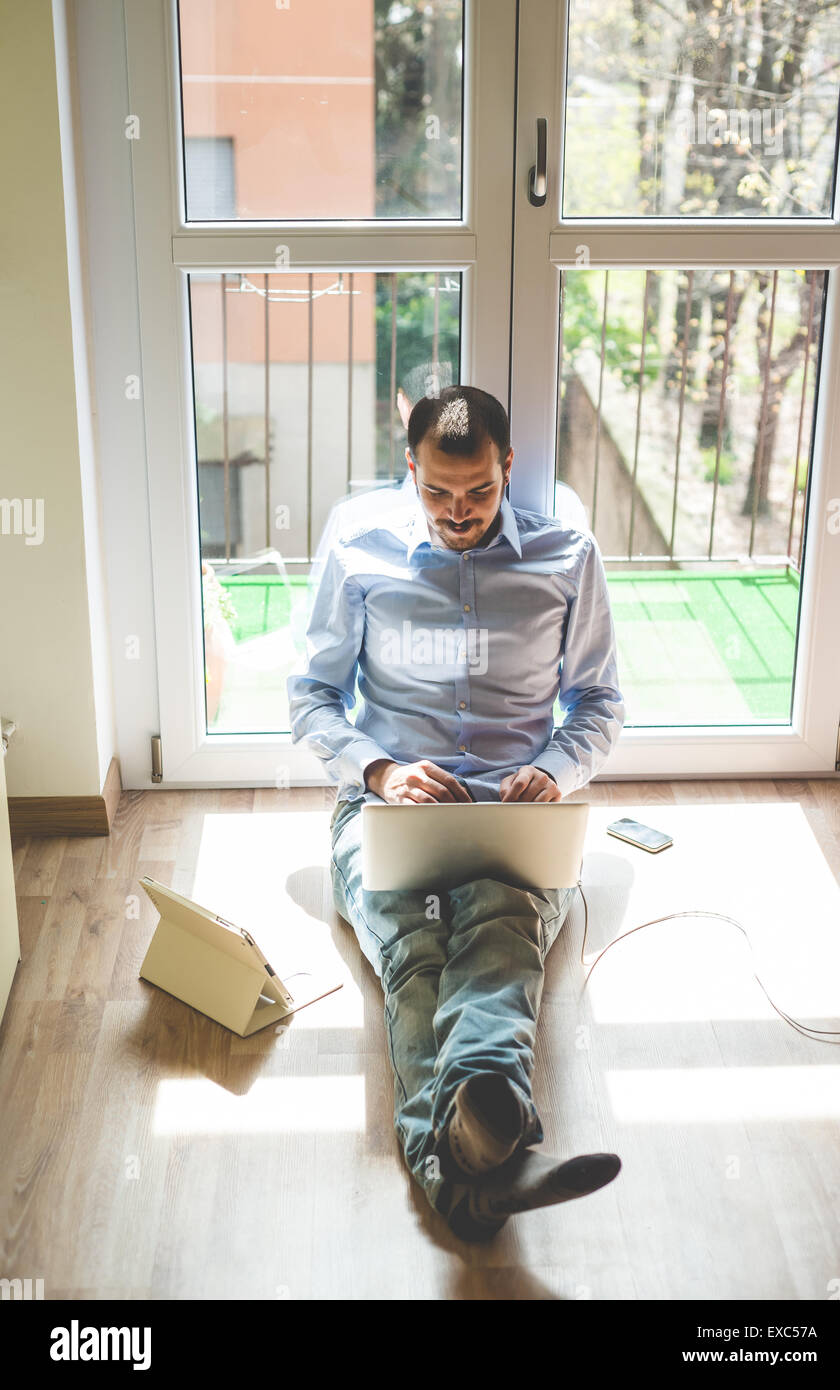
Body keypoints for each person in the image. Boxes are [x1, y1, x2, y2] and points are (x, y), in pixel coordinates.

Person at [287, 385, 626, 1241]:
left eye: (477, 492)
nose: (457, 513)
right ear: (410, 469)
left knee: (500, 929)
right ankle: (490, 1149)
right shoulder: (359, 549)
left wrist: (554, 767)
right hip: (388, 807)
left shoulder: (567, 556)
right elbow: (312, 698)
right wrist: (379, 768)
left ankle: (463, 1166)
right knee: (418, 952)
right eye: (436, 492)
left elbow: (598, 704)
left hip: (519, 810)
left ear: (507, 467)